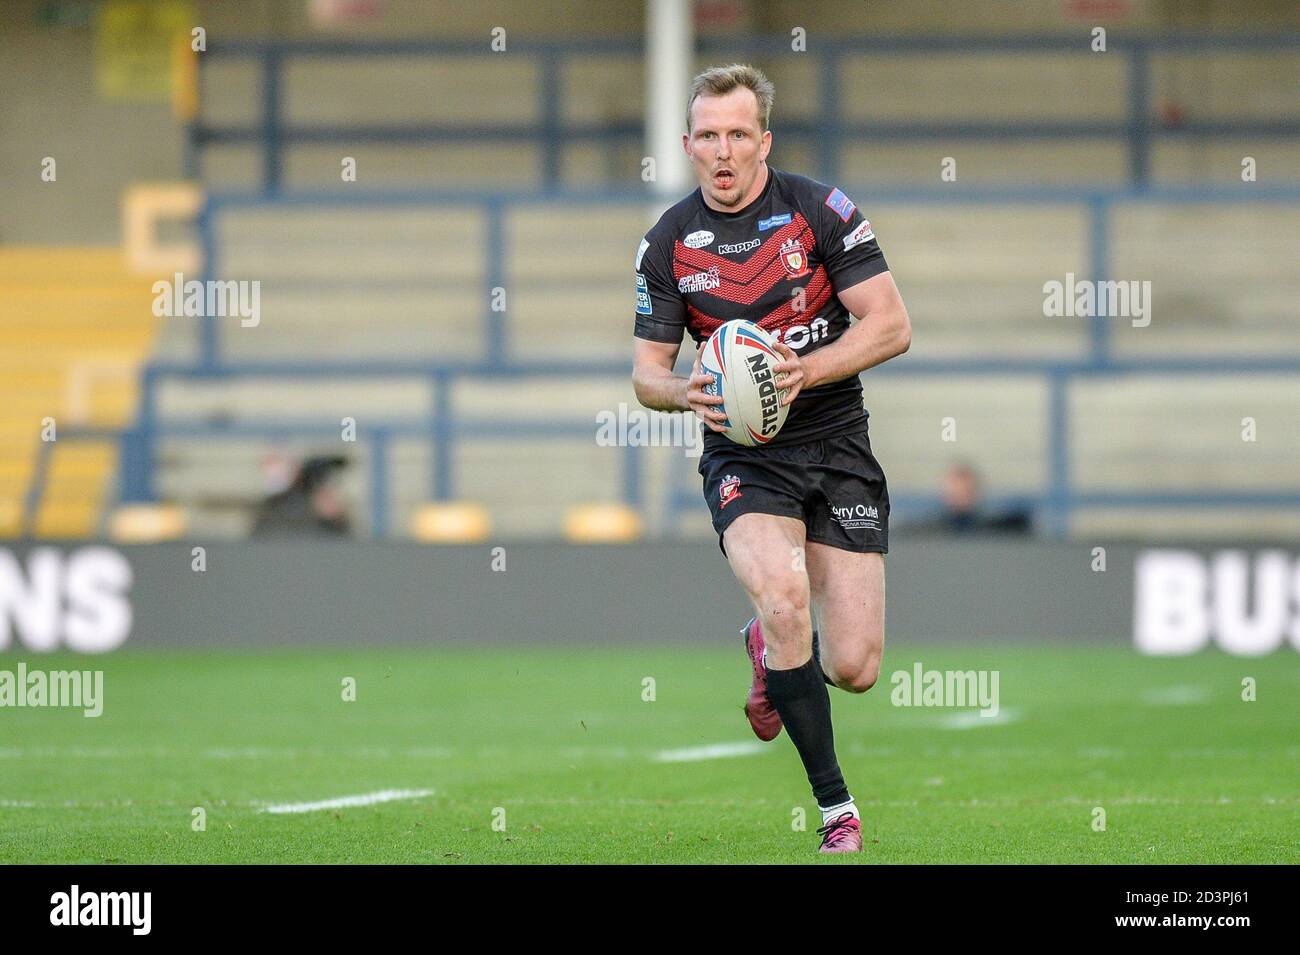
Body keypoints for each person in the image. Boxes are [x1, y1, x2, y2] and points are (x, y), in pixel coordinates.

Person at [631, 65, 912, 853]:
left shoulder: (821, 211)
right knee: (784, 596)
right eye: (708, 136)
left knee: (854, 665)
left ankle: (766, 650)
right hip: (744, 452)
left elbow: (891, 325)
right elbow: (647, 375)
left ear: (765, 140)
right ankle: (836, 809)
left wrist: (805, 370)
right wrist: (686, 393)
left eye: (738, 135)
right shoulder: (668, 243)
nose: (723, 152)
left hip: (835, 439)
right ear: (688, 144)